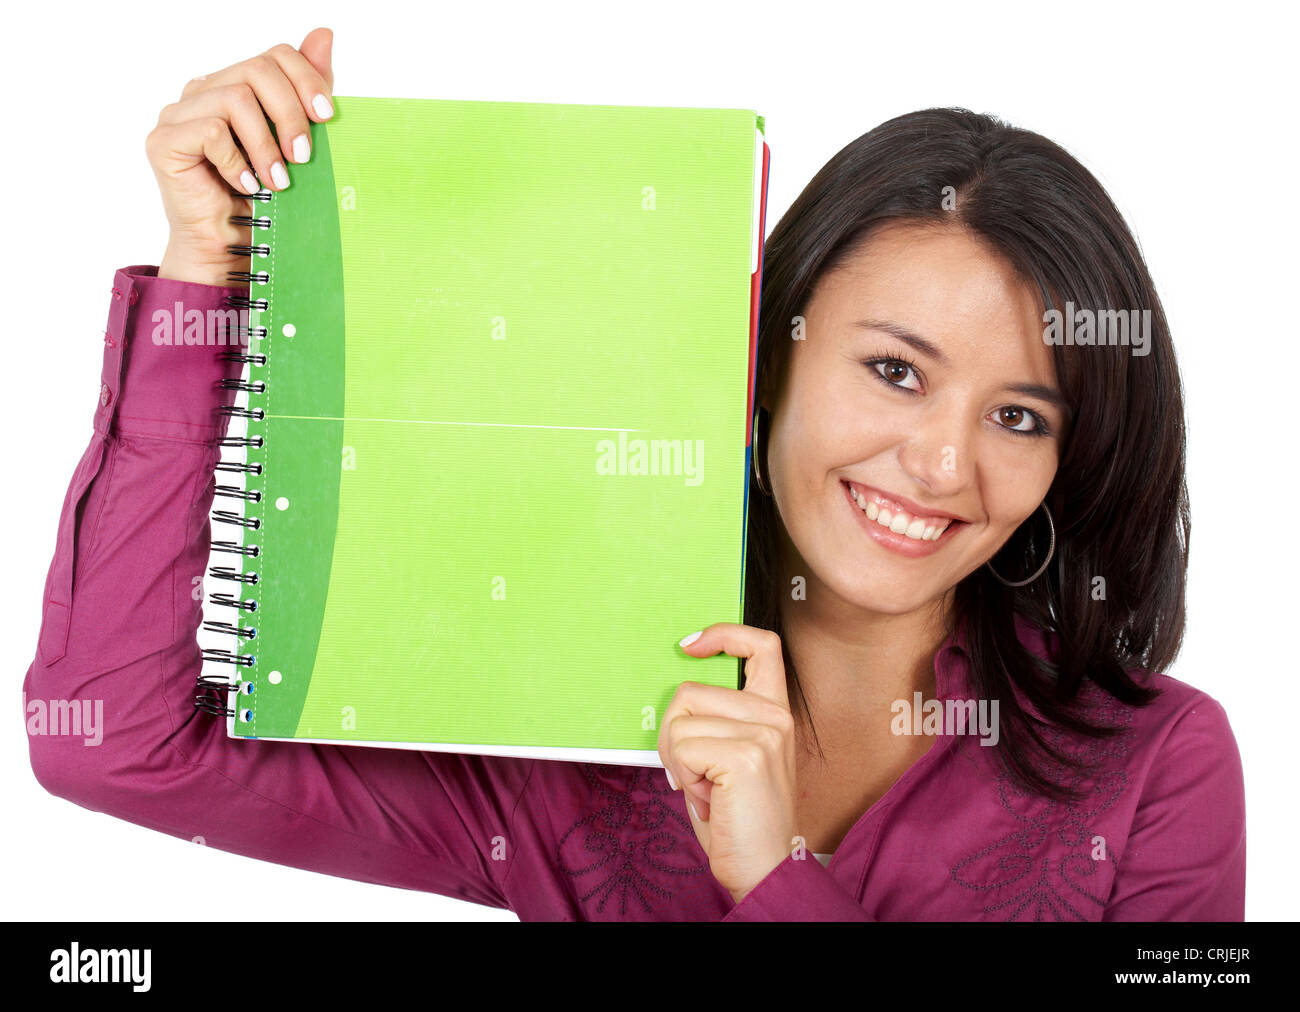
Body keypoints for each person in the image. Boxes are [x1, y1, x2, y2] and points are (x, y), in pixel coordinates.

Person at [23, 27, 1245, 920]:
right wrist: (207, 270)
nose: (939, 463)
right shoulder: (557, 727)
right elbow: (112, 743)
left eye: (1020, 415)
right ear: (763, 359)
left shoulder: (1158, 768)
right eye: (894, 371)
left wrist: (775, 882)